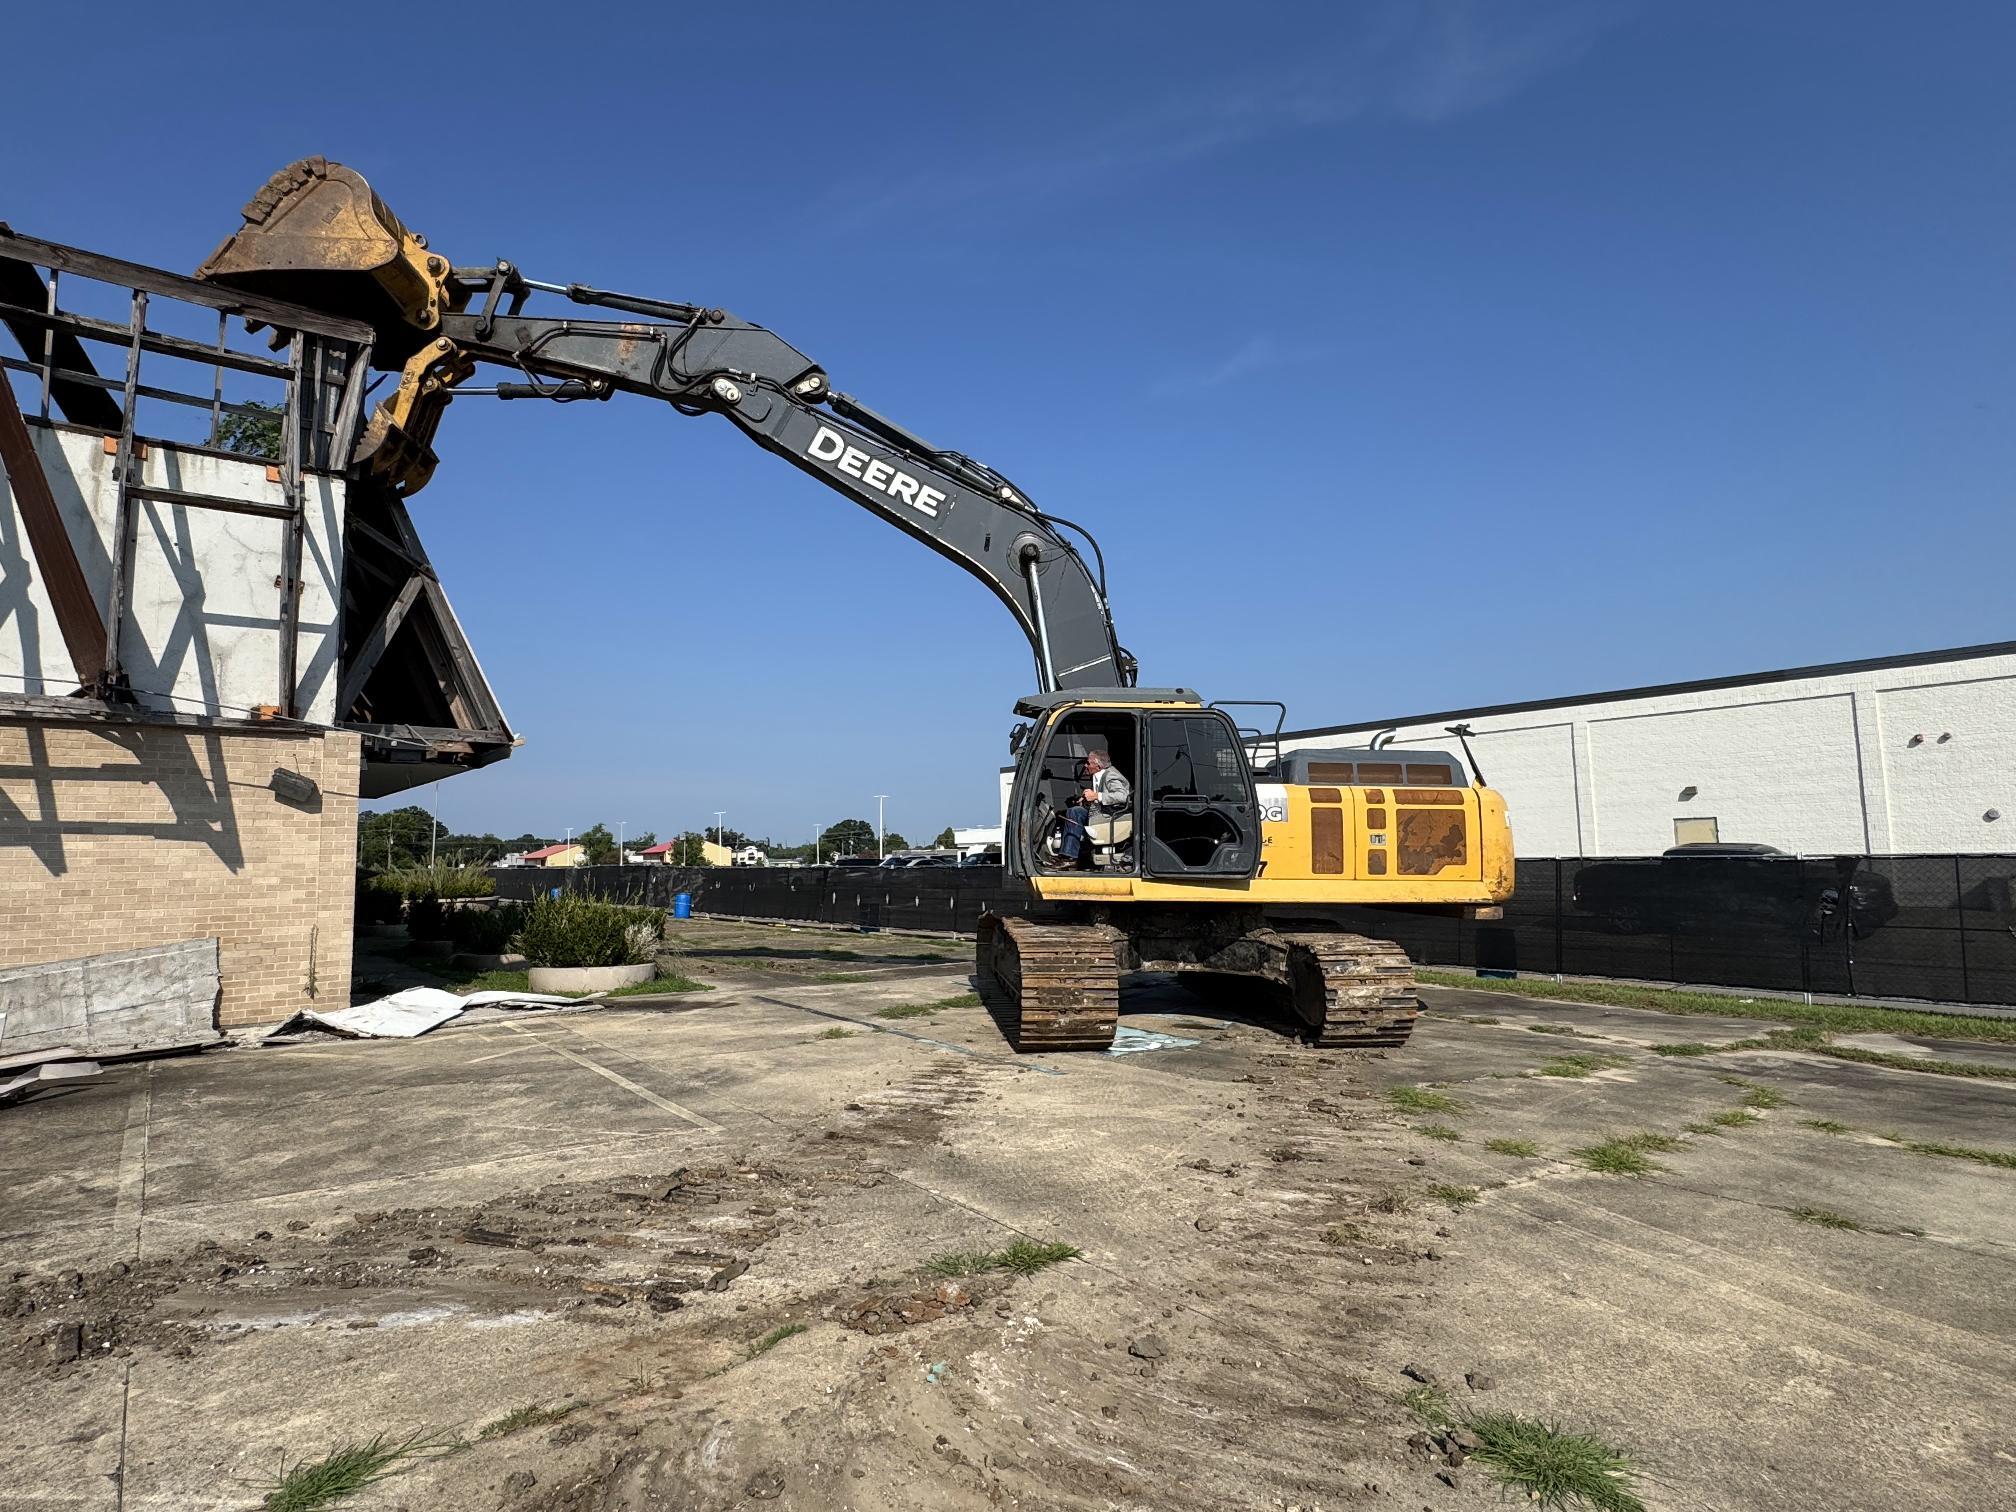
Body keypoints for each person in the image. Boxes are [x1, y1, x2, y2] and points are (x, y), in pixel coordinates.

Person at [1054, 748, 1131, 868]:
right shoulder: (1099, 775)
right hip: (1100, 812)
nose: (1086, 765)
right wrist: (1086, 800)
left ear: (1098, 766)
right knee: (1073, 811)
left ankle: (1069, 856)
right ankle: (1065, 854)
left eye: (1088, 763)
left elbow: (1122, 796)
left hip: (1109, 816)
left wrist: (1096, 795)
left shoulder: (1111, 776)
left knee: (1075, 812)